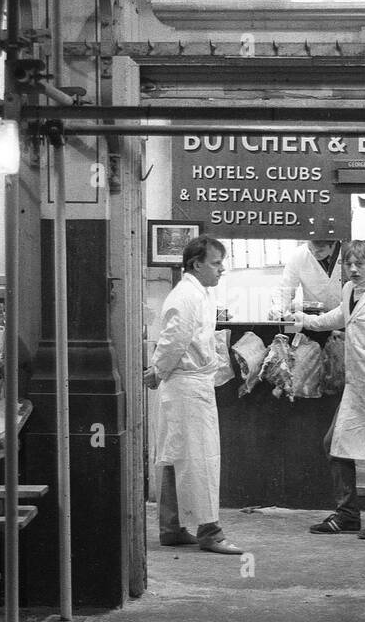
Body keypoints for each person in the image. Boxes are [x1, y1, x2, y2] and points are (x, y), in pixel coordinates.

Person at [290, 240, 365, 539]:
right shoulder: (350, 290)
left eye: (359, 264)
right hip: (356, 387)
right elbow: (340, 317)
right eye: (348, 264)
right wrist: (305, 321)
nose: (353, 269)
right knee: (334, 445)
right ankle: (348, 514)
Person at [144, 234, 244, 555]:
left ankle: (171, 528)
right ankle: (210, 532)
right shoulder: (187, 295)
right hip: (186, 387)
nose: (221, 269)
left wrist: (160, 370)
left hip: (189, 385)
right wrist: (157, 370)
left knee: (175, 456)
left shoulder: (199, 292)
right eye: (216, 263)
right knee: (200, 460)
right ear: (196, 264)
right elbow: (174, 340)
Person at [268, 239, 344, 319]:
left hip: (343, 316)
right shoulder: (299, 255)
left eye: (320, 251)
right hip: (314, 317)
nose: (314, 254)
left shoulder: (347, 254)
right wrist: (278, 308)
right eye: (310, 249)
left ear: (334, 244)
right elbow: (285, 288)